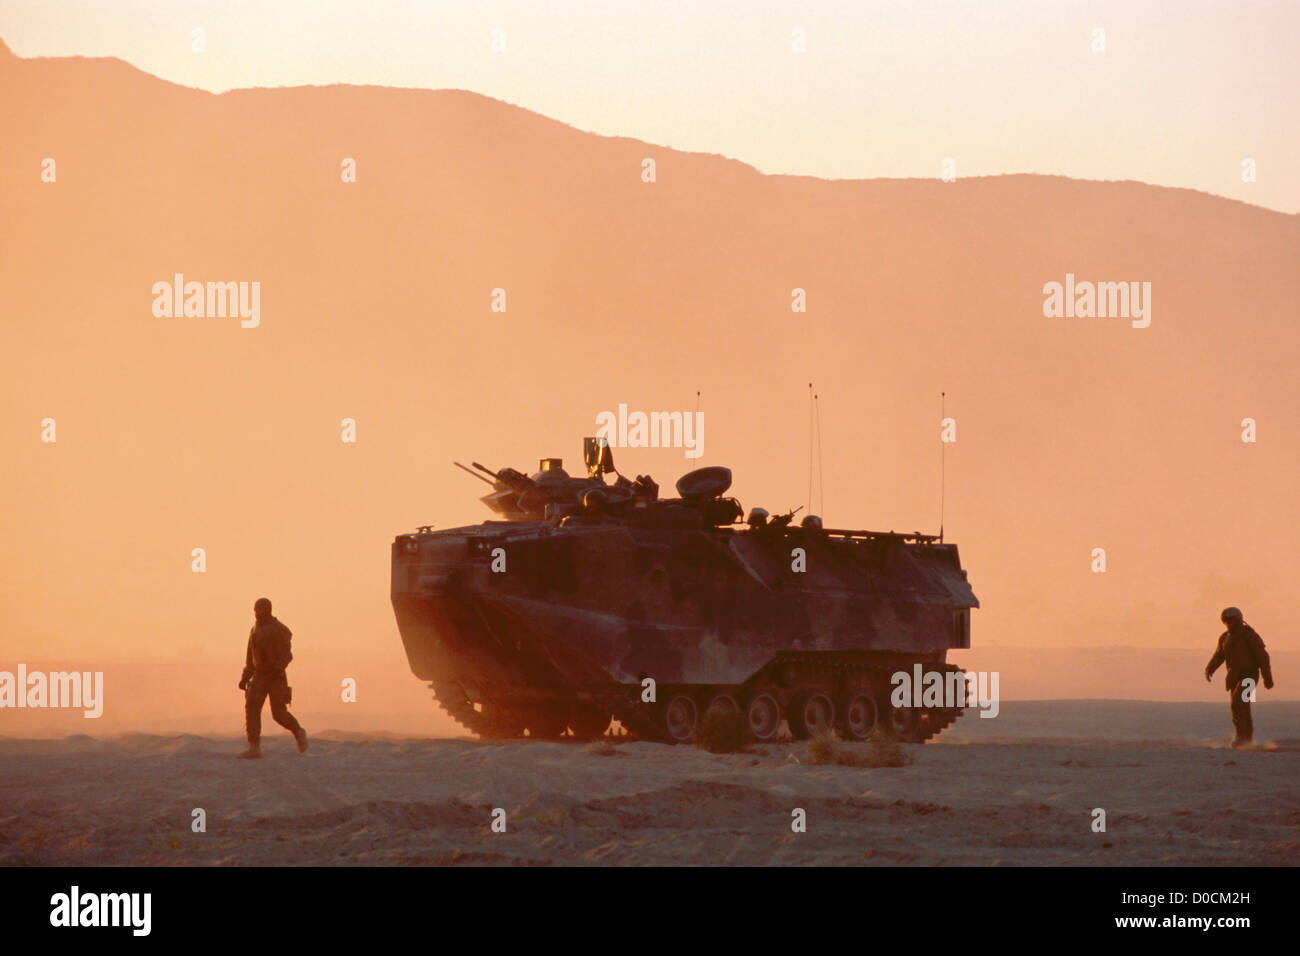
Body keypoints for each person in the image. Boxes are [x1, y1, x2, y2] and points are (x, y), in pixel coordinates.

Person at [238, 597, 307, 758]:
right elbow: (250, 658)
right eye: (256, 609)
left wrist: (278, 668)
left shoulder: (279, 629)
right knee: (252, 707)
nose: (257, 613)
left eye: (260, 609)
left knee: (278, 713)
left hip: (276, 676)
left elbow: (287, 655)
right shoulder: (254, 630)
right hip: (259, 676)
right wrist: (245, 677)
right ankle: (254, 746)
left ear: (268, 610)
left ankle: (298, 732)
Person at [1204, 606, 1274, 748]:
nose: (1228, 624)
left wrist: (1267, 678)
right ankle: (1242, 736)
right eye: (1226, 622)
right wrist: (1209, 668)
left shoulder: (1249, 636)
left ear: (1238, 620)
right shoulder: (1225, 638)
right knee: (1237, 706)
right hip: (1234, 677)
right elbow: (1219, 655)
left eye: (1231, 621)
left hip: (1249, 676)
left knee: (1239, 702)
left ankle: (1244, 737)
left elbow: (1262, 657)